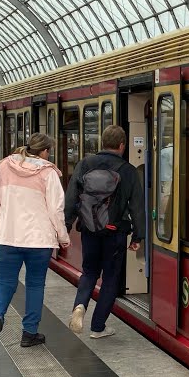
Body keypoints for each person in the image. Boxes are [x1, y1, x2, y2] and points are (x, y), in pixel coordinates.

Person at [0, 133, 71, 353]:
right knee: (35, 285)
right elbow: (56, 210)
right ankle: (29, 333)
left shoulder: (4, 167)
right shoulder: (48, 173)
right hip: (38, 241)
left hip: (7, 237)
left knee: (4, 283)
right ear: (45, 151)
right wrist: (63, 237)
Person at [64, 125, 146, 339]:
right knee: (110, 279)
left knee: (89, 271)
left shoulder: (84, 164)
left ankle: (80, 305)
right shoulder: (127, 170)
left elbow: (72, 198)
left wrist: (66, 224)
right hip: (114, 232)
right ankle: (98, 327)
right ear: (122, 145)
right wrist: (138, 236)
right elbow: (137, 205)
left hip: (89, 230)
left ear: (102, 143)